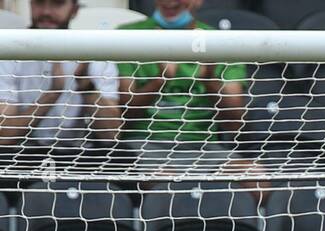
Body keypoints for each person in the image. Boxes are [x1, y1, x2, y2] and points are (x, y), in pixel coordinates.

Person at [116, 0, 247, 148]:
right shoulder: (127, 36)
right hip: (144, 143)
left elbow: (235, 122)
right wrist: (161, 79)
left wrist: (208, 79)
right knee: (164, 172)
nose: (170, 1)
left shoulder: (220, 42)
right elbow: (124, 115)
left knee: (253, 170)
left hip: (203, 147)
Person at [0, 0, 121, 152]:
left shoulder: (93, 51)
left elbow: (111, 134)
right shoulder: (8, 50)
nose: (46, 12)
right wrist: (53, 93)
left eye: (58, 4)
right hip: (21, 153)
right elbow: (3, 136)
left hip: (79, 155)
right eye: (39, 3)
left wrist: (86, 86)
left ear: (74, 10)